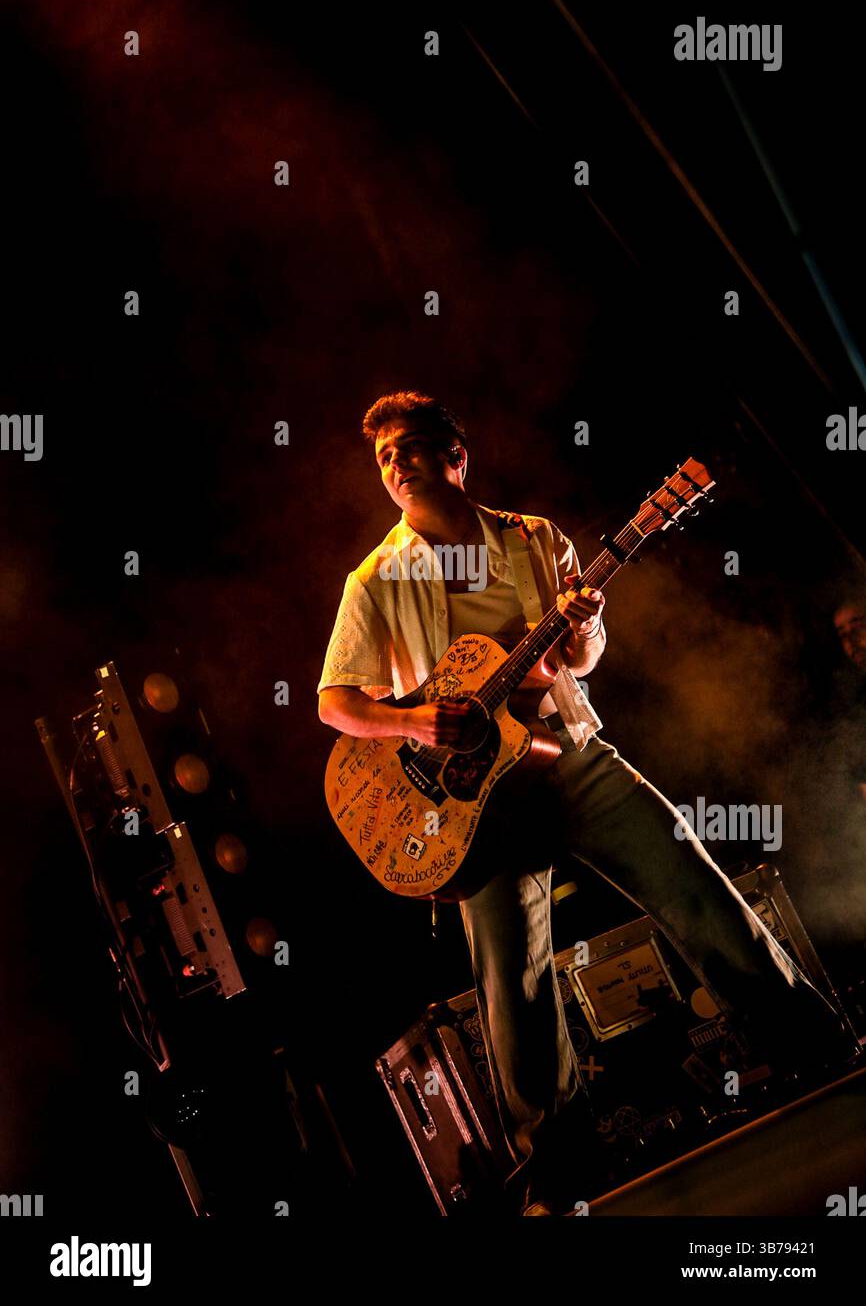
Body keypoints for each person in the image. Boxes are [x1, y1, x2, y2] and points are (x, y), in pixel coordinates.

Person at [317, 391, 860, 1215]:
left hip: (566, 754)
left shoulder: (534, 539)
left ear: (456, 455)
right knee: (515, 985)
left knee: (689, 878)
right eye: (383, 455)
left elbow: (577, 656)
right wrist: (418, 719)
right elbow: (335, 703)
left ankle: (818, 1048)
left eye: (412, 446)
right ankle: (558, 1173)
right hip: (469, 806)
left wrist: (584, 624)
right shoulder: (375, 578)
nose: (395, 463)